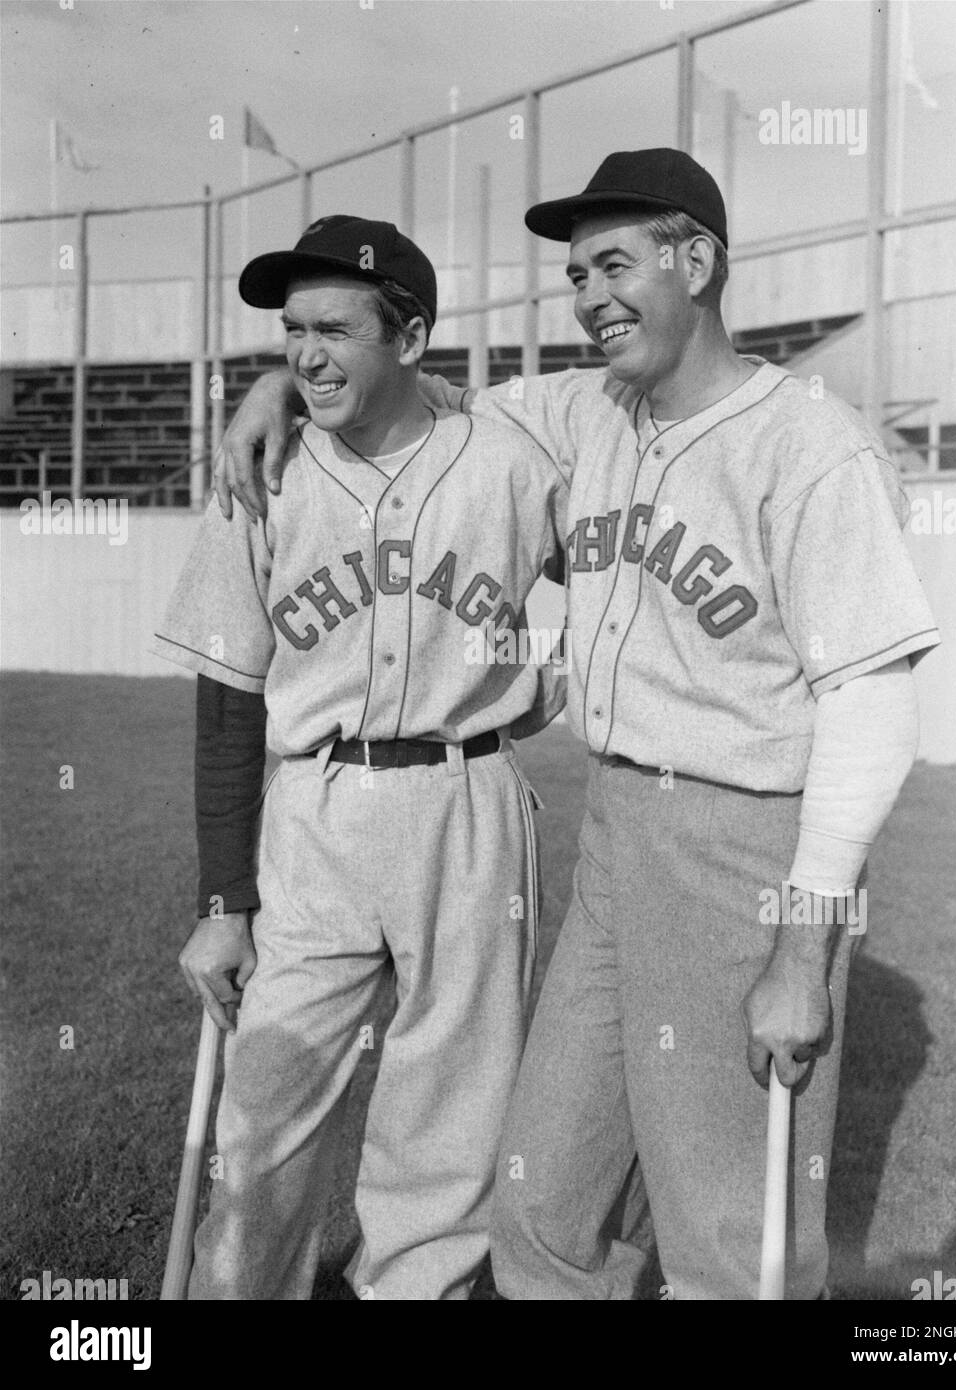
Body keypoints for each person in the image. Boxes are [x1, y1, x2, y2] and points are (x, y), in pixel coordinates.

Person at [213, 149, 940, 1300]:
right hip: (614, 833)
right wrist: (275, 386)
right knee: (541, 1200)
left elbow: (871, 700)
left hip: (743, 841)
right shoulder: (582, 408)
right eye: (575, 275)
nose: (590, 296)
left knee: (729, 1234)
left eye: (613, 264)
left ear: (695, 261)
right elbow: (422, 401)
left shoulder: (808, 445)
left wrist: (803, 948)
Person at [151, 214, 567, 1300]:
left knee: (453, 1132)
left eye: (334, 330)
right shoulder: (267, 470)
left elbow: (626, 541)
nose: (303, 355)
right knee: (261, 1120)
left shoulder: (513, 461)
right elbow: (228, 695)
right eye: (292, 334)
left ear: (412, 337)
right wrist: (219, 899)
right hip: (319, 807)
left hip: (469, 796)